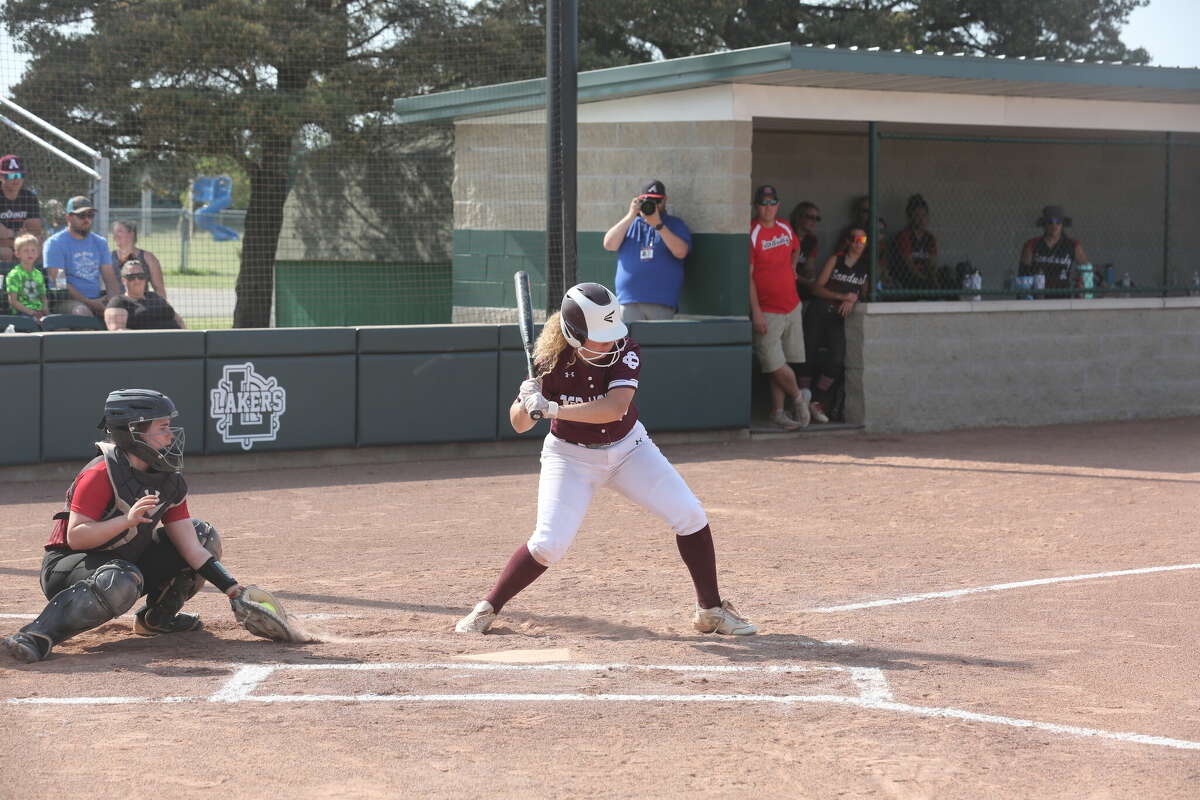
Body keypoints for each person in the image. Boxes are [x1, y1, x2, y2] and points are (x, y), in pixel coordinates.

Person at [454, 282, 756, 637]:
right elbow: (519, 425)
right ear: (574, 334)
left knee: (690, 514)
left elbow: (615, 409)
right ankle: (488, 607)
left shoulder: (627, 348)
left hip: (630, 449)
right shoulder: (549, 360)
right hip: (569, 458)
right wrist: (525, 402)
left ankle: (711, 610)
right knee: (549, 544)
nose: (610, 342)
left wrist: (552, 408)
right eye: (599, 336)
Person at [1, 389, 249, 663]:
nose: (171, 435)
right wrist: (126, 520)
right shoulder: (99, 473)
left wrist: (234, 591)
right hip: (71, 567)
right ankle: (35, 635)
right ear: (134, 432)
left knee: (203, 535)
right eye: (163, 428)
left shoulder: (168, 479)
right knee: (118, 577)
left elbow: (192, 549)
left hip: (125, 565)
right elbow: (76, 537)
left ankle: (157, 618)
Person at [749, 185, 812, 430]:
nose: (768, 207)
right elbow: (749, 276)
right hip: (768, 310)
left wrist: (793, 268)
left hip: (791, 305)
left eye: (772, 202)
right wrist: (756, 311)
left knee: (784, 361)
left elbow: (796, 248)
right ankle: (799, 397)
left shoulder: (785, 227)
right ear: (756, 206)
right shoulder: (752, 233)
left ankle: (778, 412)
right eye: (763, 203)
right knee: (773, 362)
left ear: (778, 205)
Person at [805, 228, 871, 424]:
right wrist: (842, 296)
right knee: (807, 356)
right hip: (819, 311)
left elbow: (864, 293)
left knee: (836, 360)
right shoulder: (837, 259)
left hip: (838, 317)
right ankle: (800, 401)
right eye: (855, 239)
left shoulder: (866, 265)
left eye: (863, 239)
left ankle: (815, 400)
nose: (859, 243)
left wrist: (854, 298)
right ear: (848, 241)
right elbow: (817, 288)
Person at [604, 179, 692, 322]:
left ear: (664, 201)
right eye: (648, 200)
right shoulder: (630, 224)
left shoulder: (675, 224)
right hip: (628, 302)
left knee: (657, 343)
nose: (653, 205)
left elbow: (681, 252)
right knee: (628, 343)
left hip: (661, 302)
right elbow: (609, 244)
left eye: (657, 201)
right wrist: (631, 214)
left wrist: (658, 225)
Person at [42, 195, 116, 317]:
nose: (87, 219)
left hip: (97, 298)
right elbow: (60, 282)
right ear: (68, 217)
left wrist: (115, 304)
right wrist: (89, 303)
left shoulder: (100, 242)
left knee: (120, 312)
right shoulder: (54, 243)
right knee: (82, 312)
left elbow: (110, 278)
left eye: (90, 215)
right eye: (81, 216)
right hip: (64, 301)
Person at [1019, 205, 1089, 296]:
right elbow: (1023, 273)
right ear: (1044, 224)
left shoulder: (1072, 245)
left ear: (1062, 224)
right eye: (1050, 222)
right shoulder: (1032, 244)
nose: (1054, 225)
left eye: (1058, 222)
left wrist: (1081, 284)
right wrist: (1026, 296)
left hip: (1063, 294)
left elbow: (1087, 269)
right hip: (1038, 295)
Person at [106, 259, 185, 330]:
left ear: (145, 278)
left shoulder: (155, 296)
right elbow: (118, 331)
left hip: (174, 340)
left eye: (140, 276)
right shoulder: (118, 302)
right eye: (131, 277)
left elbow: (178, 320)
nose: (137, 280)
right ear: (123, 280)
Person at [890, 193, 941, 295]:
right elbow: (909, 265)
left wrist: (933, 279)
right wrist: (925, 280)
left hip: (925, 275)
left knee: (946, 277)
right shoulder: (904, 236)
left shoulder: (929, 238)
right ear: (910, 217)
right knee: (925, 285)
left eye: (924, 215)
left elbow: (932, 263)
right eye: (917, 216)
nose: (921, 219)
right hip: (908, 276)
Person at [0, 154, 43, 263]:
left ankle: (36, 279)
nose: (15, 179)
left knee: (40, 247)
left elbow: (35, 230)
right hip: (10, 245)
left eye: (19, 175)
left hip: (22, 242)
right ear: (1, 177)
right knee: (5, 253)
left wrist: (11, 235)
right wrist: (17, 236)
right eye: (10, 176)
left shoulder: (29, 197)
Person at [111, 219, 168, 299]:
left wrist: (162, 308)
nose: (115, 236)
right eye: (114, 232)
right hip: (116, 305)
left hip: (141, 305)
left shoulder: (148, 258)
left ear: (131, 234)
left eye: (119, 231)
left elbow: (159, 289)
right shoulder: (109, 257)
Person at [4, 233, 48, 321]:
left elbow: (43, 296)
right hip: (21, 314)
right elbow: (13, 301)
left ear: (38, 253)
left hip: (39, 312)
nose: (30, 253)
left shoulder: (38, 274)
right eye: (26, 250)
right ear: (17, 254)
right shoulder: (14, 274)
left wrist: (45, 310)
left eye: (33, 250)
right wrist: (31, 312)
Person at [788, 201, 822, 295]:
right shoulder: (786, 235)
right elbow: (786, 269)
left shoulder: (812, 240)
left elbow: (809, 266)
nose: (814, 221)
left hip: (800, 283)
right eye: (810, 217)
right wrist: (809, 283)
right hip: (783, 282)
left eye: (817, 218)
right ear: (799, 217)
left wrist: (811, 276)